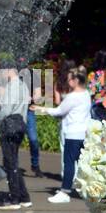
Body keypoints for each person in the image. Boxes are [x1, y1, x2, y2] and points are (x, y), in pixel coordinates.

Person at [33, 66, 91, 203]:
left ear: (75, 80)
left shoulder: (72, 97)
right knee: (83, 164)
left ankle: (65, 191)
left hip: (72, 134)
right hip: (84, 133)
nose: (68, 81)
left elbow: (59, 111)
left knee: (69, 163)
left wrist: (40, 109)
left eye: (70, 79)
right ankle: (86, 190)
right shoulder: (86, 94)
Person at [0, 63, 32, 209]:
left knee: (10, 164)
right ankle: (24, 197)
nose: (1, 75)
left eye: (2, 71)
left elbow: (6, 109)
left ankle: (15, 199)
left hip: (9, 127)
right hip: (20, 126)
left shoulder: (12, 86)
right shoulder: (23, 85)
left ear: (9, 71)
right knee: (14, 163)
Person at [20, 58, 44, 177]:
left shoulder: (33, 75)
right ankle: (11, 165)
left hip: (29, 111)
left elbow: (38, 95)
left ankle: (35, 165)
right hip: (16, 111)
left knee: (33, 139)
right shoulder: (13, 74)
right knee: (13, 139)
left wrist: (34, 98)